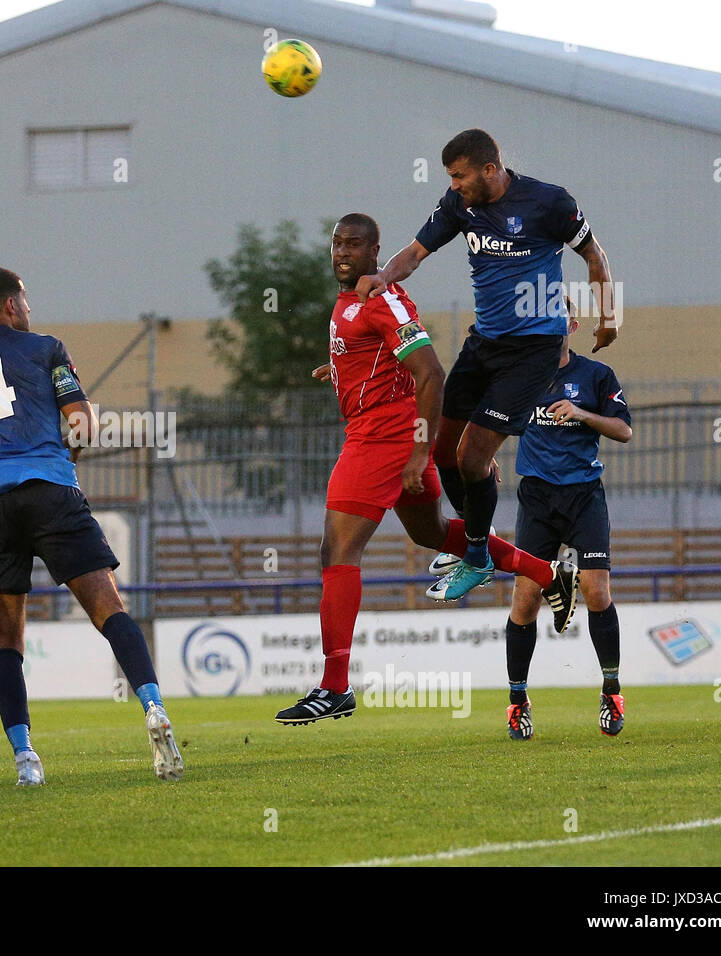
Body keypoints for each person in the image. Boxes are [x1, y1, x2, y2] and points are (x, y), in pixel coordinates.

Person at [274, 214, 578, 726]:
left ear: (376, 252)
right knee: (431, 532)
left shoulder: (379, 299)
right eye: (336, 243)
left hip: (384, 436)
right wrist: (344, 371)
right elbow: (384, 359)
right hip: (383, 430)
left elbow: (432, 374)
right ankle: (547, 573)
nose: (342, 252)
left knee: (338, 550)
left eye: (354, 245)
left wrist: (420, 450)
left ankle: (334, 687)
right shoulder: (352, 300)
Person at [0, 266, 182, 785]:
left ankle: (26, 759)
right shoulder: (45, 347)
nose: (29, 308)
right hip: (52, 492)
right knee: (109, 610)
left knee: (6, 643)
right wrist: (64, 457)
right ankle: (154, 708)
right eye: (25, 300)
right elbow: (81, 423)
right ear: (10, 305)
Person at [356, 129, 616, 604]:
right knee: (441, 450)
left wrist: (609, 317)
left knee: (473, 458)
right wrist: (381, 277)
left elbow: (594, 255)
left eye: (459, 175)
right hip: (485, 344)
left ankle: (478, 557)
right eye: (450, 177)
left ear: (490, 170)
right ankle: (477, 540)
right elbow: (414, 253)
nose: (453, 185)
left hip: (533, 350)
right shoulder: (459, 205)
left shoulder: (550, 203)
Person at [502, 306, 632, 740]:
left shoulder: (596, 375)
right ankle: (518, 701)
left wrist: (582, 414)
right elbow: (491, 417)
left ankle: (611, 691)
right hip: (537, 497)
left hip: (583, 495)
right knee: (525, 599)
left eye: (558, 320)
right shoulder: (520, 374)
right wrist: (479, 459)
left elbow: (623, 430)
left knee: (597, 591)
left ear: (572, 327)